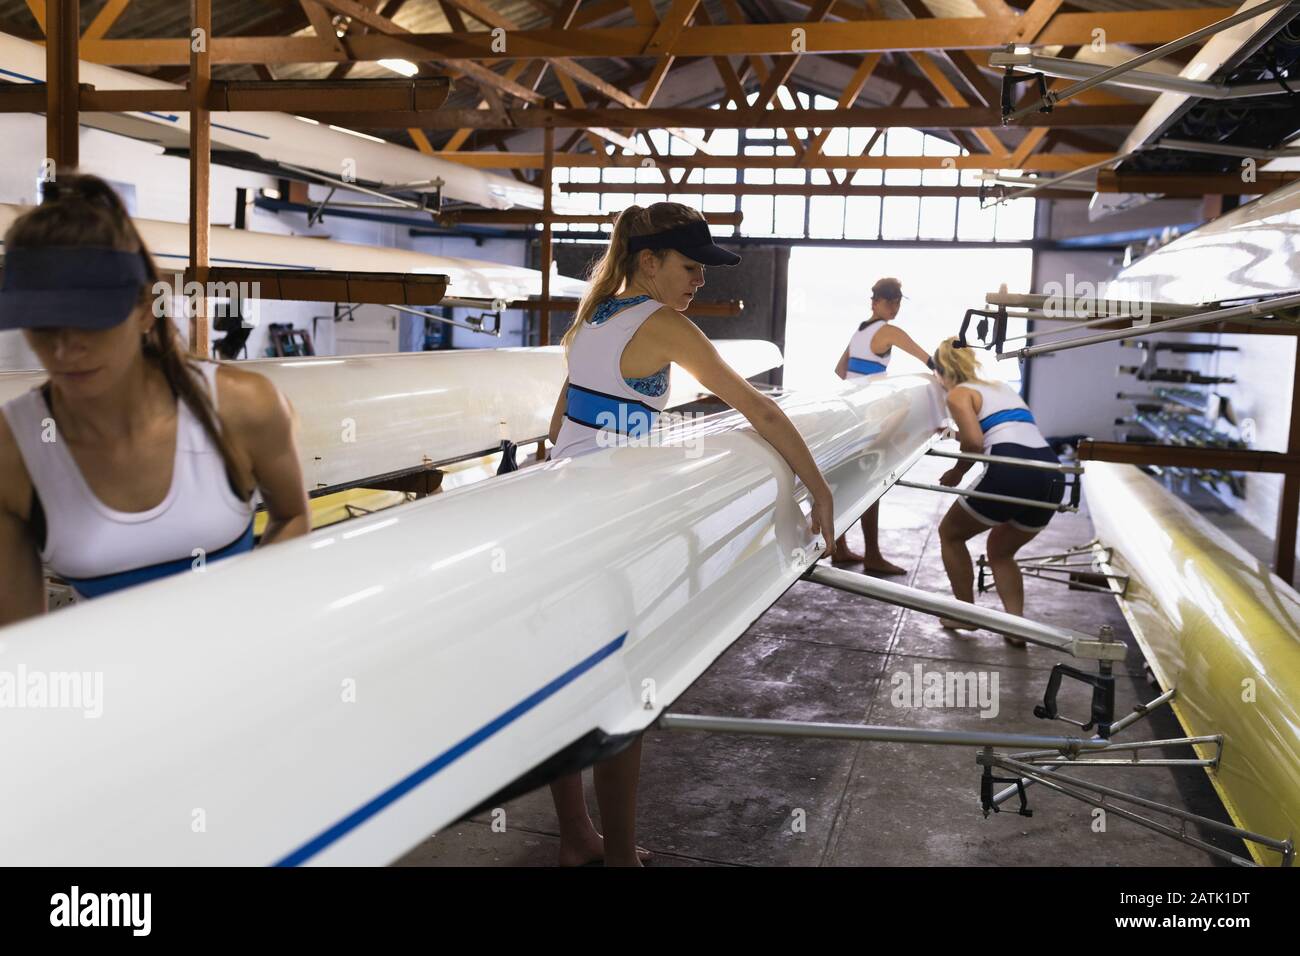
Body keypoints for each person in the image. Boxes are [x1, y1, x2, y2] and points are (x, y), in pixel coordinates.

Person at [546, 201, 837, 866]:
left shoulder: (596, 315)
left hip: (561, 514)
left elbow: (564, 414)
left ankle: (574, 836)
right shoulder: (661, 323)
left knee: (570, 687)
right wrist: (817, 487)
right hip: (612, 528)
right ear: (648, 263)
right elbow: (758, 406)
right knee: (626, 694)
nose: (701, 280)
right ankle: (618, 855)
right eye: (690, 266)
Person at [0, 173, 310, 626]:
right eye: (42, 327)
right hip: (114, 689)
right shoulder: (14, 451)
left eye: (88, 322)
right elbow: (20, 640)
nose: (64, 351)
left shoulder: (241, 406)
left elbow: (292, 516)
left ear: (146, 307)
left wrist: (248, 621)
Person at [930, 336, 1064, 644]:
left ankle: (966, 615)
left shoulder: (958, 393)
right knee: (1001, 552)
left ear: (941, 372)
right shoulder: (999, 386)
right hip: (1053, 475)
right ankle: (1015, 628)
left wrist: (956, 472)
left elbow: (975, 443)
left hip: (1012, 470)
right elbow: (1001, 427)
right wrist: (952, 431)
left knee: (950, 534)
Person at [831, 276, 933, 574]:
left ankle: (840, 547)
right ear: (875, 302)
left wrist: (862, 386)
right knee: (870, 483)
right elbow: (928, 359)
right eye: (891, 301)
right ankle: (873, 555)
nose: (895, 306)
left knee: (849, 479)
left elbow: (840, 370)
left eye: (898, 301)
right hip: (868, 415)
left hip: (848, 410)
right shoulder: (889, 331)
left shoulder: (859, 331)